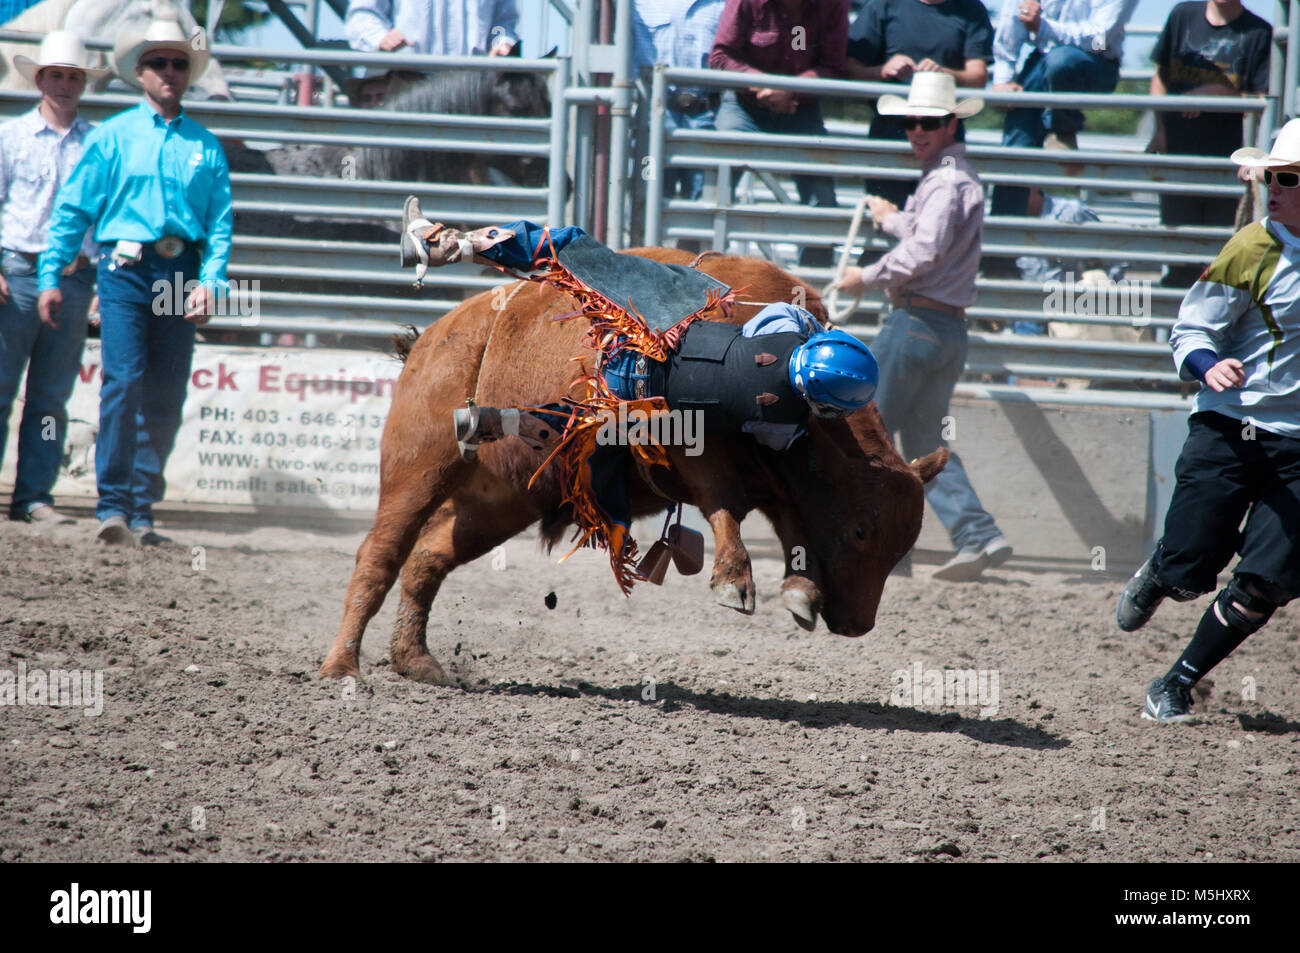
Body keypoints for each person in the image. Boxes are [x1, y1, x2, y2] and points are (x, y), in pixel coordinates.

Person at [1116, 119, 1300, 724]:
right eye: (1271, 176)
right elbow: (1190, 327)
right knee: (1193, 565)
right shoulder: (1253, 248)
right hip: (1230, 427)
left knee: (1268, 581)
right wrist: (1206, 364)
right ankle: (1166, 566)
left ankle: (1176, 681)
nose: (1273, 188)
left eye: (1288, 179)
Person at [36, 17, 232, 546]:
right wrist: (51, 274)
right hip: (124, 270)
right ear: (139, 73)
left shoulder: (206, 146)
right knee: (123, 382)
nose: (170, 71)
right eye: (159, 63)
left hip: (179, 272)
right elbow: (73, 210)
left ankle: (141, 508)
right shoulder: (114, 137)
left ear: (188, 74)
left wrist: (212, 282)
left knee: (166, 390)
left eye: (179, 63)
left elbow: (219, 225)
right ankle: (115, 505)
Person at [835, 73, 1011, 581]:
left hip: (913, 323)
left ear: (951, 123)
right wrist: (892, 219)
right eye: (911, 122)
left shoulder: (943, 180)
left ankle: (889, 548)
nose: (917, 130)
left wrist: (862, 278)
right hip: (948, 331)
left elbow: (925, 251)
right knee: (923, 438)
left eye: (928, 122)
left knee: (872, 436)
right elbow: (933, 239)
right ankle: (977, 535)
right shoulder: (959, 176)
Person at [0, 31, 105, 525]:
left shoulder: (99, 144)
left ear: (83, 83)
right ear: (40, 79)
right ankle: (30, 496)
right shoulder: (9, 135)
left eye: (73, 76)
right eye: (57, 75)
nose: (65, 84)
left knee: (50, 398)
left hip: (74, 276)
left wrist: (103, 280)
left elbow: (106, 217)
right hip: (16, 269)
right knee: (2, 389)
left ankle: (34, 494)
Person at [709, 0, 849, 267]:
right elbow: (720, 55)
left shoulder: (832, 5)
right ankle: (693, 280)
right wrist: (765, 86)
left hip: (800, 109)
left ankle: (810, 289)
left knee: (822, 200)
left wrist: (790, 90)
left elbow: (835, 66)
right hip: (745, 107)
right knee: (714, 184)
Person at [1149, 0, 1271, 290]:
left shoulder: (1259, 33)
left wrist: (1220, 93)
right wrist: (1160, 129)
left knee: (1221, 259)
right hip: (1178, 157)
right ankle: (1176, 331)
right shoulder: (1183, 15)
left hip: (1227, 164)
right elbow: (1161, 75)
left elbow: (1263, 102)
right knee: (1179, 257)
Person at [988, 0, 1139, 219]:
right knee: (1016, 144)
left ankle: (1063, 127)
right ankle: (1003, 239)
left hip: (1095, 60)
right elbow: (1016, 11)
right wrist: (1002, 78)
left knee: (1062, 60)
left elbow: (1098, 40)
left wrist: (1042, 27)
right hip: (1044, 59)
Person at [845, 0, 993, 208]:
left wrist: (943, 74)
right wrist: (882, 71)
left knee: (942, 210)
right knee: (891, 214)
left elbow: (978, 76)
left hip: (941, 131)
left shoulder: (971, 8)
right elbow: (850, 70)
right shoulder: (883, 5)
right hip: (894, 131)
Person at [634, 0, 726, 203]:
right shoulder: (638, 4)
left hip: (706, 116)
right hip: (654, 117)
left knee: (704, 204)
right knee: (647, 201)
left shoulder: (722, 4)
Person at [345, 0, 519, 56]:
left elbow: (502, 22)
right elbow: (362, 15)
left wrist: (501, 43)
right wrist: (380, 37)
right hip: (408, 83)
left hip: (470, 88)